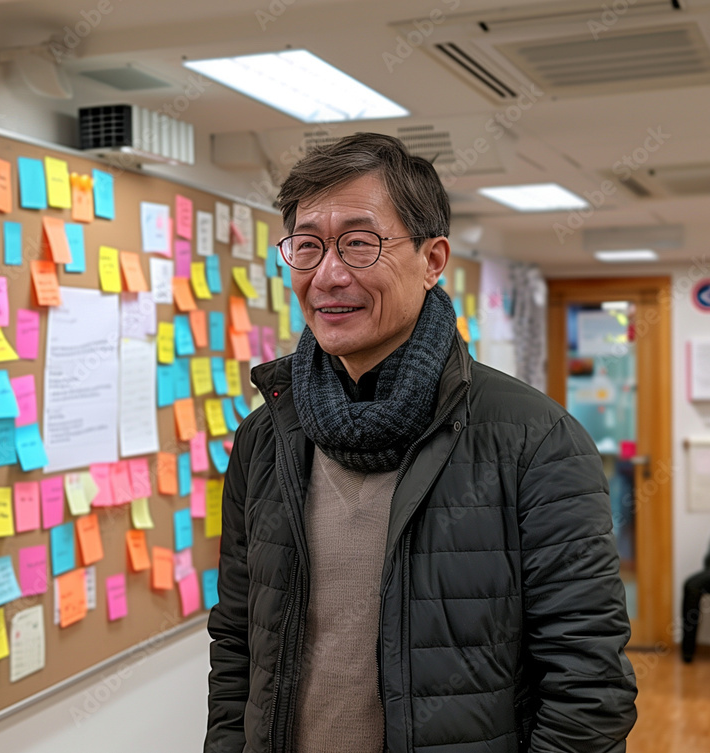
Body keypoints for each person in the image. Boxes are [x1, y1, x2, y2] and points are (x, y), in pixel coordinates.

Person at [205, 132, 637, 753]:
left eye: (359, 243)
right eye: (307, 246)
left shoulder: (535, 440)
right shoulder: (266, 437)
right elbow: (237, 643)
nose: (328, 275)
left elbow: (588, 686)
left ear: (433, 261)